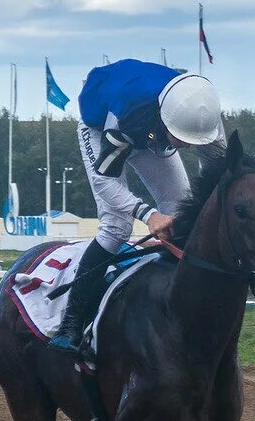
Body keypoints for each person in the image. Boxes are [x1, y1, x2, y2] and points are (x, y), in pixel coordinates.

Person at [48, 59, 226, 352]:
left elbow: (219, 168)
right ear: (165, 121)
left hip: (150, 126)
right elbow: (106, 182)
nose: (187, 148)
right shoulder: (127, 119)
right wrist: (149, 215)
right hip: (104, 121)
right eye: (181, 140)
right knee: (116, 227)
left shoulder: (202, 116)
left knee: (180, 209)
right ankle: (71, 324)